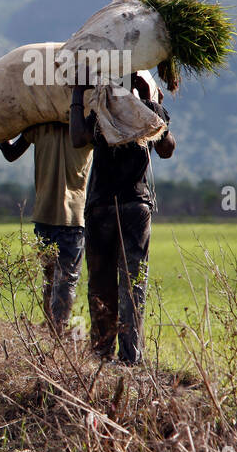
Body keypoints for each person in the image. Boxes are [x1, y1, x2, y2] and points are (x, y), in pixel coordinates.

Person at [70, 72, 175, 364]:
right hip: (134, 207)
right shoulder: (148, 111)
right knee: (132, 283)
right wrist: (152, 102)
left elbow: (78, 138)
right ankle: (130, 358)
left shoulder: (104, 110)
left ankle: (103, 354)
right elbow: (167, 149)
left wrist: (77, 95)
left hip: (103, 206)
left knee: (101, 283)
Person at [0, 121, 92, 333]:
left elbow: (11, 153)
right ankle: (57, 332)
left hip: (49, 216)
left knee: (51, 280)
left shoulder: (40, 126)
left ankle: (54, 331)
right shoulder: (84, 127)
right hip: (71, 218)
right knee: (64, 280)